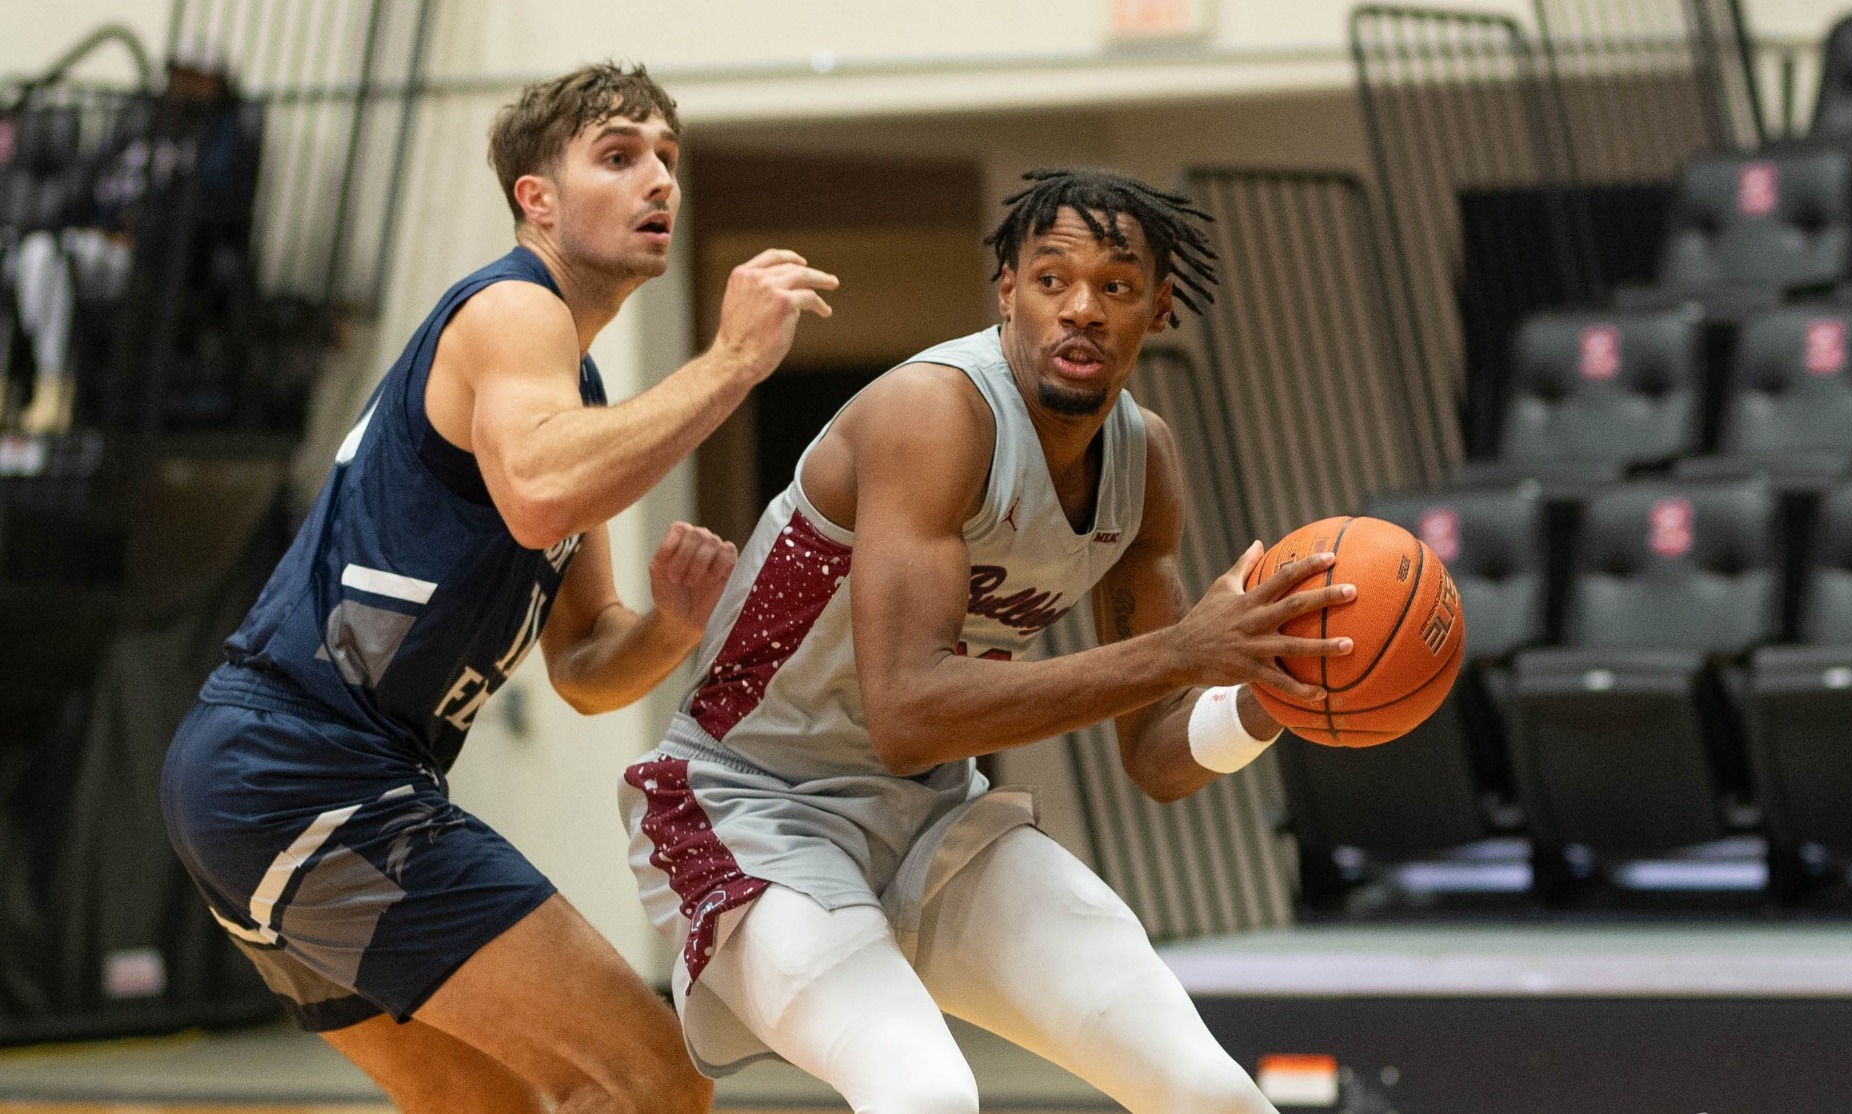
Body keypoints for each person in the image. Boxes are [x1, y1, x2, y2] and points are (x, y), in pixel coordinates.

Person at [160, 62, 837, 1114]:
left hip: (266, 783)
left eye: (667, 156)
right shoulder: (515, 309)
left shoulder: (574, 388)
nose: (657, 178)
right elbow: (537, 496)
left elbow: (584, 667)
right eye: (618, 156)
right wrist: (733, 362)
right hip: (304, 768)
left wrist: (670, 625)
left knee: (493, 1105)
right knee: (649, 1074)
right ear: (539, 199)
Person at [620, 168, 1356, 1114]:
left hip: (928, 816)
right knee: (925, 1093)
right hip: (753, 806)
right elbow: (910, 713)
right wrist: (1184, 651)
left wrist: (1269, 689)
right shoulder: (935, 414)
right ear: (1007, 291)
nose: (1081, 309)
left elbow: (1160, 757)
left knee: (1211, 1092)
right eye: (1052, 280)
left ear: (1160, 309)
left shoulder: (1147, 464)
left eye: (1117, 286)